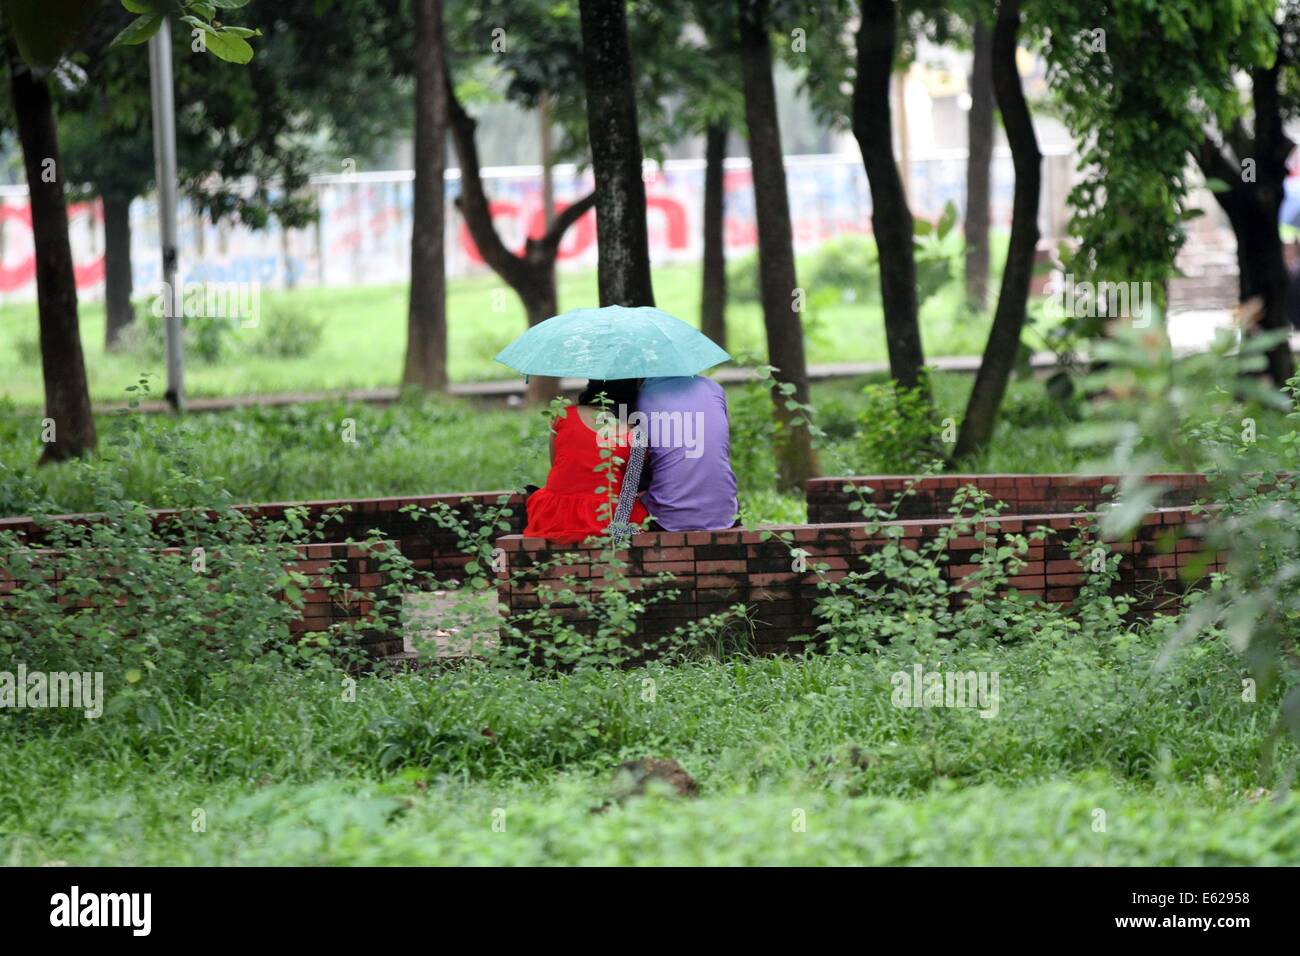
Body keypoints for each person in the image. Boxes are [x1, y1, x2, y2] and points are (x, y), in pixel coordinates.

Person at [523, 379, 649, 544]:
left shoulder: (564, 415)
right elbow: (630, 488)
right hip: (607, 520)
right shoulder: (635, 435)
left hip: (553, 517)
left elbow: (558, 466)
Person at [635, 375, 739, 531]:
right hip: (725, 513)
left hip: (665, 518)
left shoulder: (640, 395)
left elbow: (634, 458)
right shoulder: (714, 388)